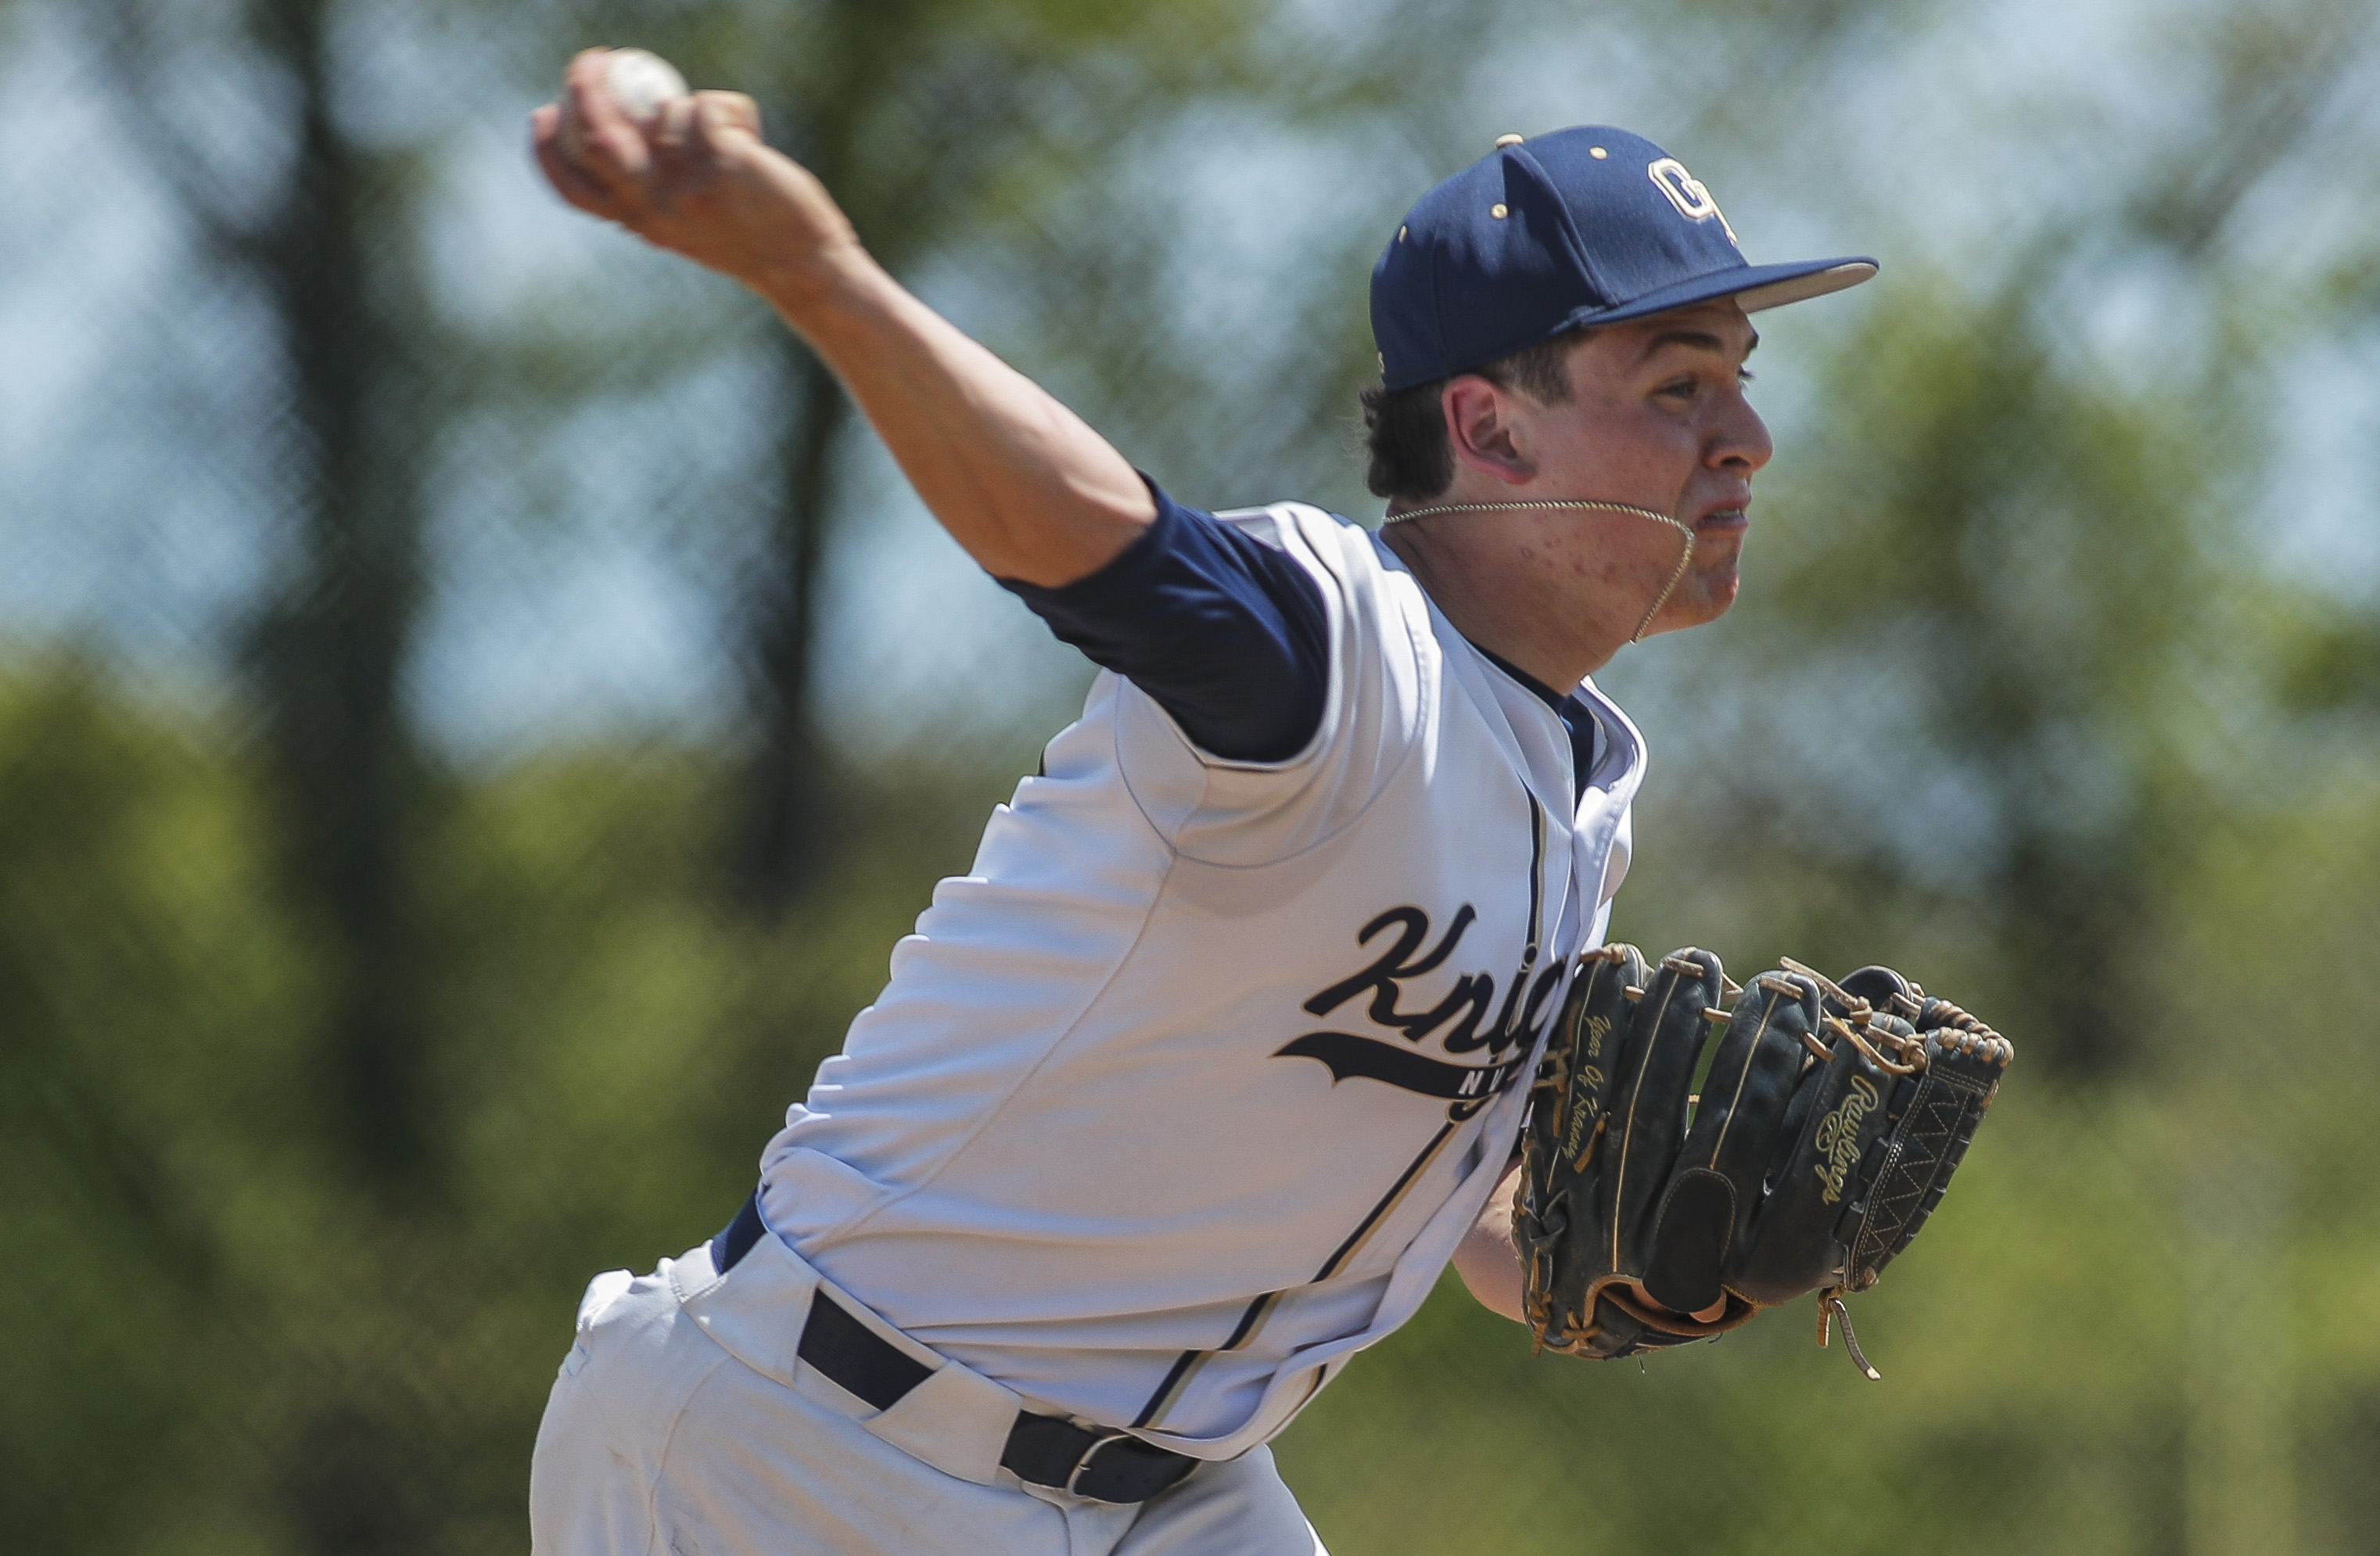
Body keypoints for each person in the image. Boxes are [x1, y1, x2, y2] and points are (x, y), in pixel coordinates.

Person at [526, 49, 1875, 1556]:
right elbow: (1102, 549)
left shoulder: (1573, 781)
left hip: (1176, 1497)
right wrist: (821, 274)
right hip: (807, 1453)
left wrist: (1626, 1256)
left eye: (1740, 381)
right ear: (1490, 430)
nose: (1743, 438)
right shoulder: (1337, 659)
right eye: (1680, 385)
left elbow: (1474, 1227)